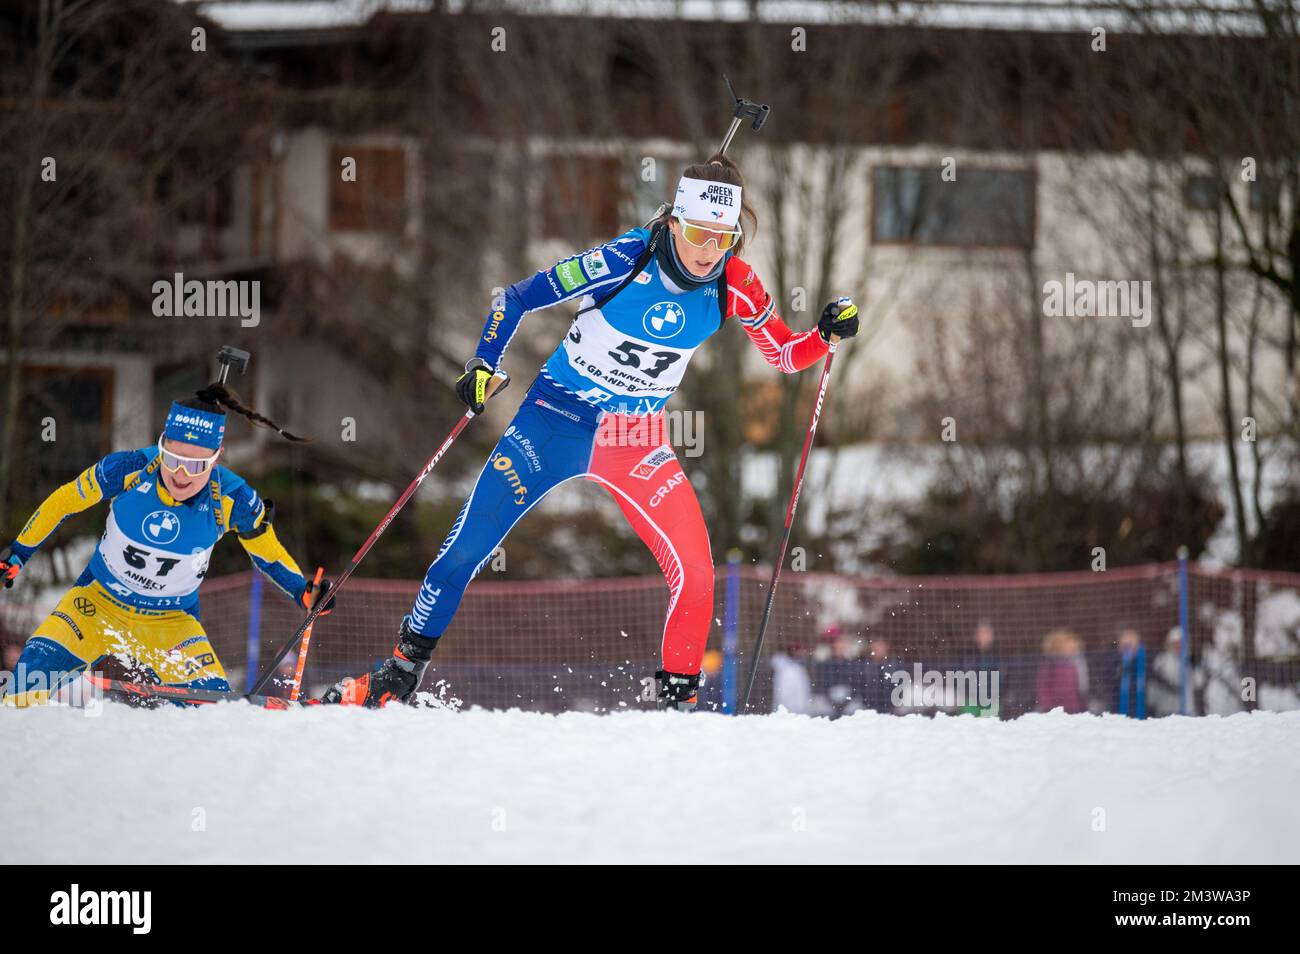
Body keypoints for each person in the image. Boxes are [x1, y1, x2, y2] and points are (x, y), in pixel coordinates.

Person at [324, 154, 859, 710]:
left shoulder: (734, 282)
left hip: (635, 437)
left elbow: (783, 354)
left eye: (723, 239)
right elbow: (515, 298)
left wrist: (824, 335)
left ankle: (678, 710)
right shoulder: (623, 258)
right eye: (698, 232)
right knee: (465, 551)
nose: (708, 251)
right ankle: (398, 673)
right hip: (554, 420)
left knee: (697, 572)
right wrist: (483, 364)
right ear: (674, 223)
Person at [0, 383, 333, 705]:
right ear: (161, 446)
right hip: (96, 605)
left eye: (197, 465)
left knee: (210, 713)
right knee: (23, 689)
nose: (181, 474)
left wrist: (301, 589)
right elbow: (64, 501)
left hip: (170, 622)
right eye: (172, 458)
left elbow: (267, 551)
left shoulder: (233, 499)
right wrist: (19, 551)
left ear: (216, 459)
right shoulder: (129, 468)